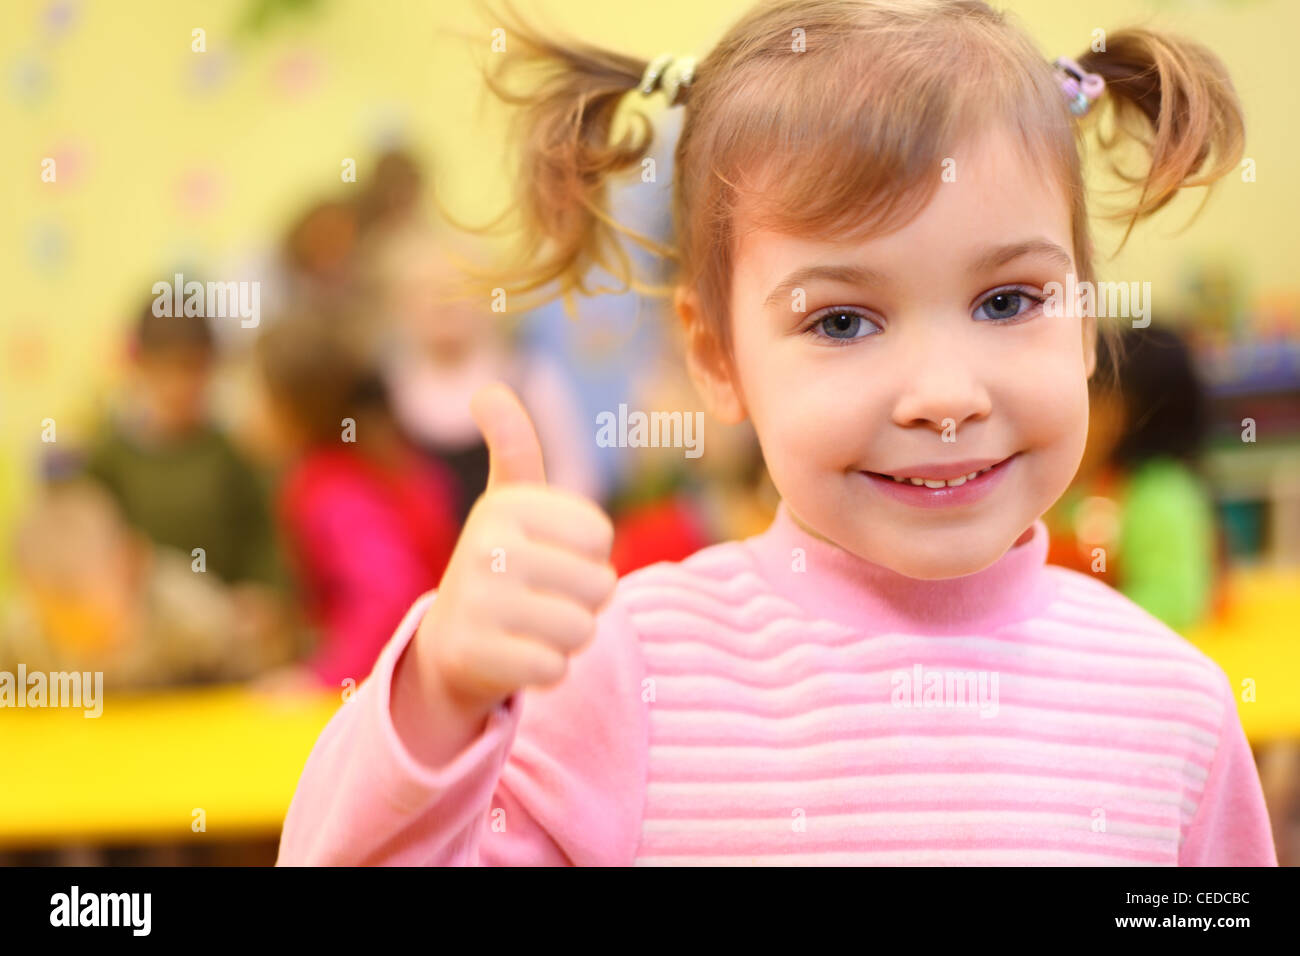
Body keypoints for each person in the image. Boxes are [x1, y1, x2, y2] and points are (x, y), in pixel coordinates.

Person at [278, 0, 1273, 865]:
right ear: (715, 356)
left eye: (1009, 299)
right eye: (841, 320)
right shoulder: (624, 672)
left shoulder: (1174, 709)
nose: (942, 395)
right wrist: (440, 690)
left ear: (1086, 314)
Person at [251, 309, 459, 692]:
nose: (243, 412)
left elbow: (390, 596)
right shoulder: (379, 461)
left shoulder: (333, 491)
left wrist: (321, 679)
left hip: (414, 683)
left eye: (254, 395)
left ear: (292, 409)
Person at [83, 295, 284, 592]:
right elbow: (91, 540)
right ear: (139, 364)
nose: (180, 386)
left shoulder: (235, 453)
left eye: (193, 368)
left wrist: (262, 593)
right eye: (167, 368)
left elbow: (264, 541)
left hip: (225, 622)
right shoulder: (109, 458)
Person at [1045, 325, 1222, 631]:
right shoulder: (1076, 481)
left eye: (1096, 396)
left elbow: (1174, 601)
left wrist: (1072, 627)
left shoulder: (1160, 493)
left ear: (1136, 412)